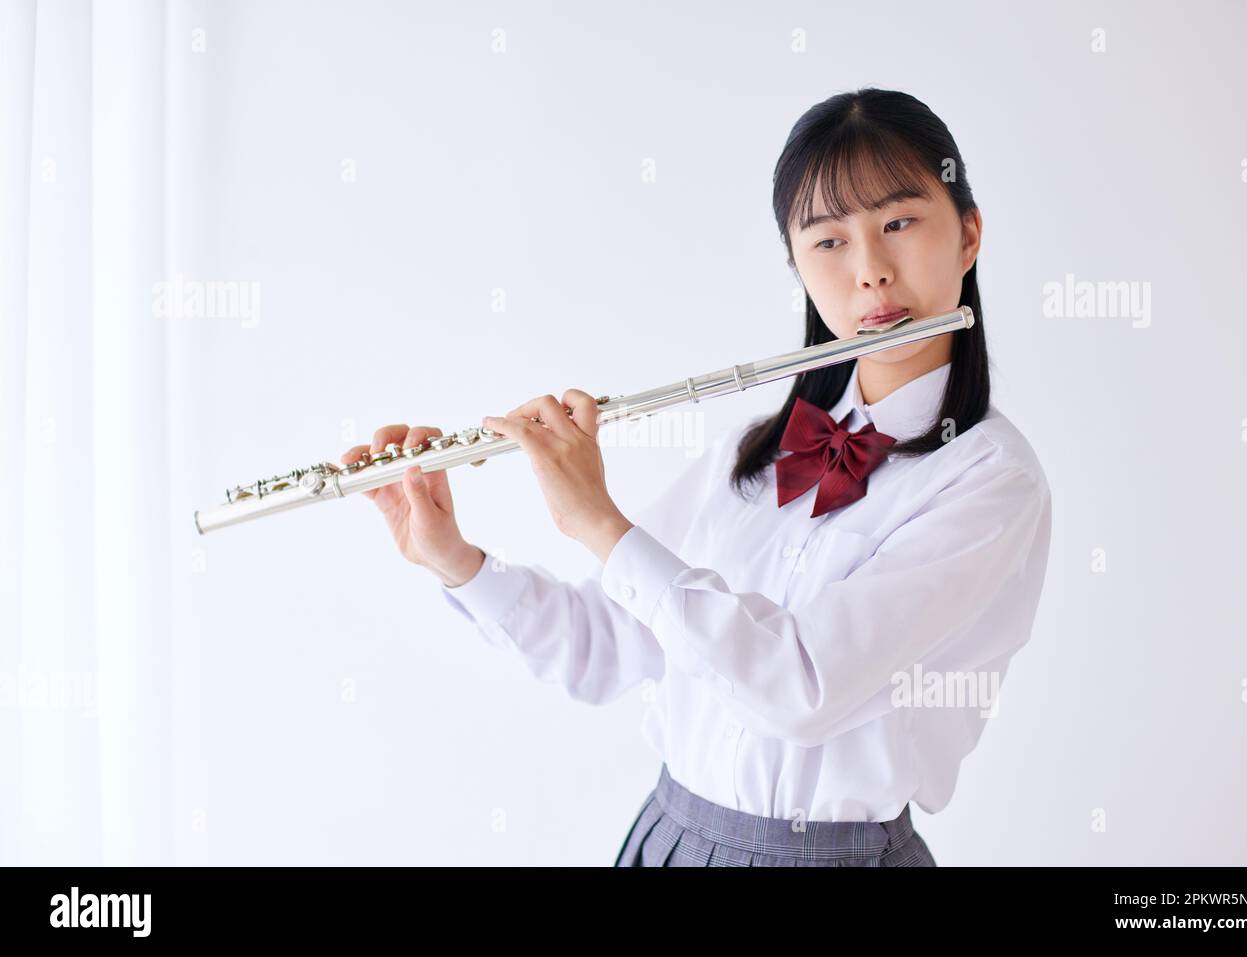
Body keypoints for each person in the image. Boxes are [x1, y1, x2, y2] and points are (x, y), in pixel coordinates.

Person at [339, 87, 1052, 867]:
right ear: (799, 267)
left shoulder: (991, 482)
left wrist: (600, 523)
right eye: (828, 242)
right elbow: (604, 645)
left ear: (969, 234)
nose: (871, 272)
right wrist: (453, 556)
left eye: (899, 223)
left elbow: (801, 686)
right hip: (672, 836)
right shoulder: (761, 449)